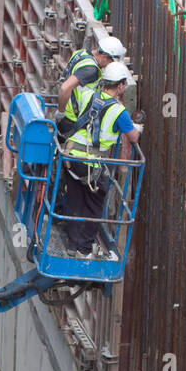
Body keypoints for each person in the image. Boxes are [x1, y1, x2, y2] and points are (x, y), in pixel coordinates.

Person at [58, 62, 140, 255]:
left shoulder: (88, 95)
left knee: (75, 200)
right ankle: (84, 249)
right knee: (95, 204)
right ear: (120, 86)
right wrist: (136, 128)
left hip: (70, 156)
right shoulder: (119, 111)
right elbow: (133, 136)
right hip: (90, 163)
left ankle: (72, 244)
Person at [57, 33, 126, 132]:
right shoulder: (91, 70)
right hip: (73, 119)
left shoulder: (81, 53)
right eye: (112, 62)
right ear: (105, 56)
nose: (111, 66)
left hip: (68, 115)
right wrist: (61, 112)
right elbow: (65, 87)